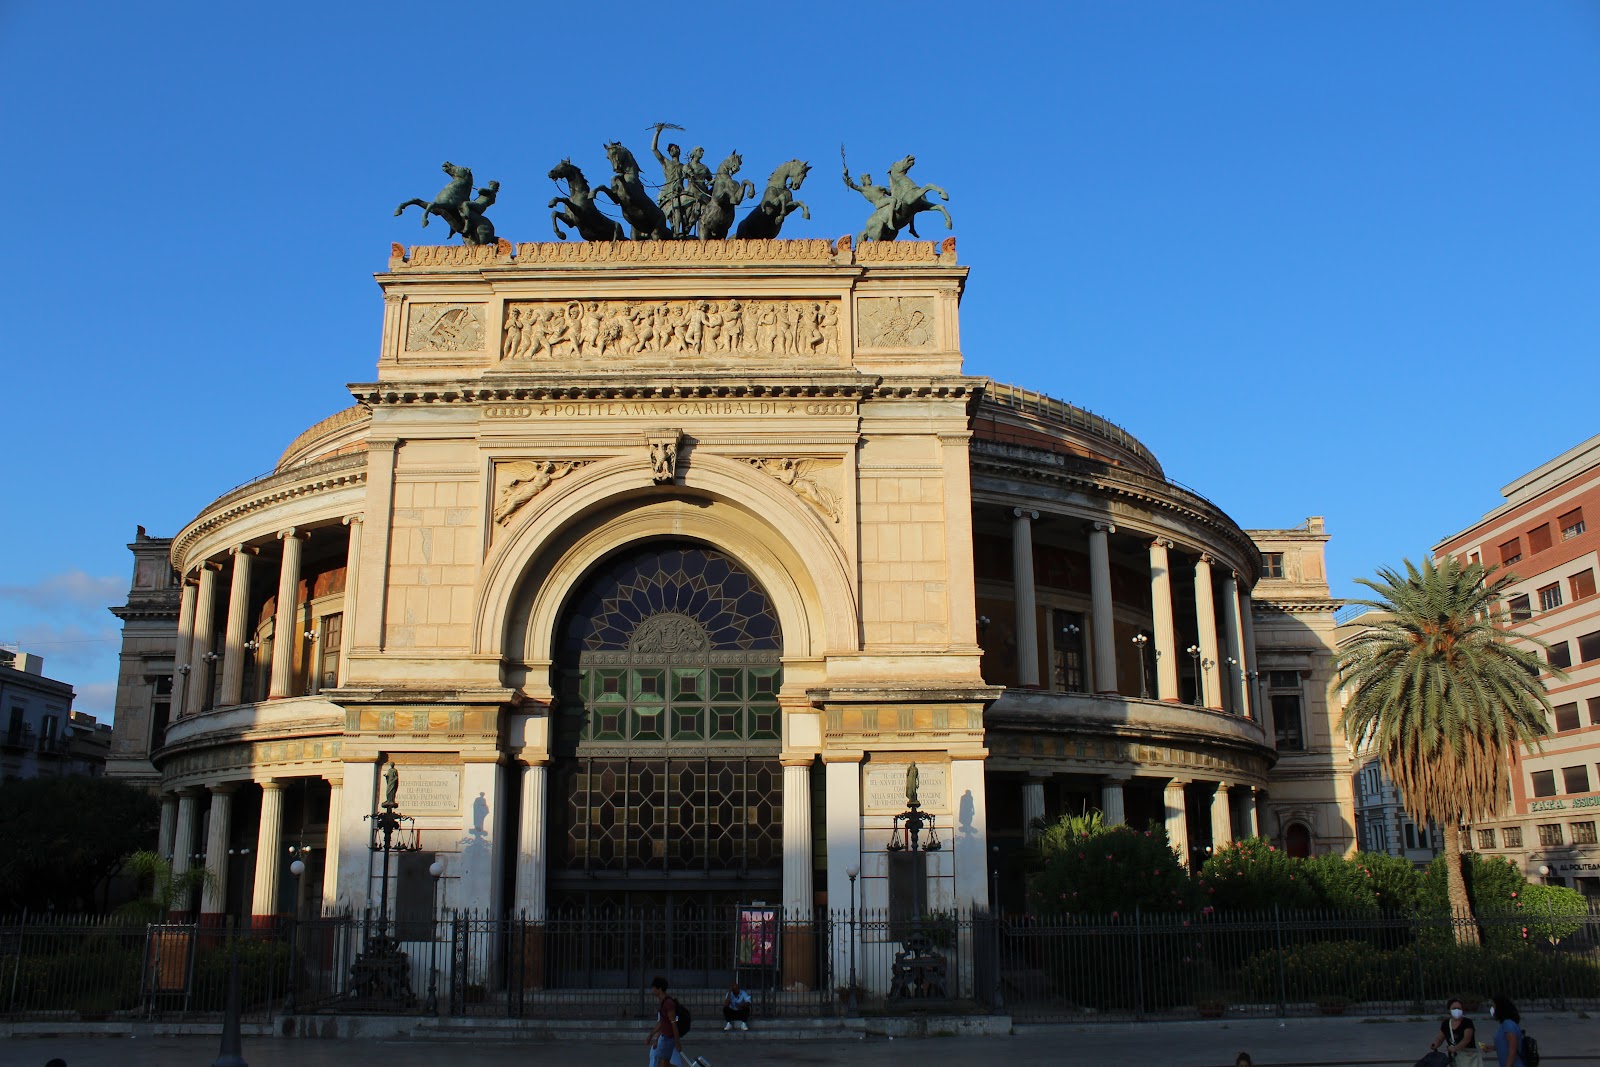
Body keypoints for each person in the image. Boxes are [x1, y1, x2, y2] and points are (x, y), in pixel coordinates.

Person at [1429, 997, 1480, 1067]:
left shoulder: (1467, 1022)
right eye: (1454, 1008)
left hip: (1468, 1057)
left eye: (1459, 1008)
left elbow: (1467, 1039)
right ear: (1449, 1010)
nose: (1457, 1010)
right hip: (1454, 1058)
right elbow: (1440, 1038)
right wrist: (1435, 1044)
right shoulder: (1446, 1023)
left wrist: (1455, 1048)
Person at [647, 976, 681, 1067]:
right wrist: (651, 1035)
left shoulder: (668, 1003)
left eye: (654, 987)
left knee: (663, 1064)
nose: (652, 989)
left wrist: (677, 1042)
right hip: (666, 1038)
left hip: (669, 1038)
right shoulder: (663, 1002)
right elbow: (661, 1022)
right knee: (662, 1064)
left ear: (660, 989)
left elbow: (674, 1024)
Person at [1487, 994, 1524, 1067]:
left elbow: (1512, 1051)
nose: (1492, 1009)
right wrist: (1493, 1047)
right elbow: (1506, 1044)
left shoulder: (1508, 1025)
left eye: (1493, 1006)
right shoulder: (1504, 1024)